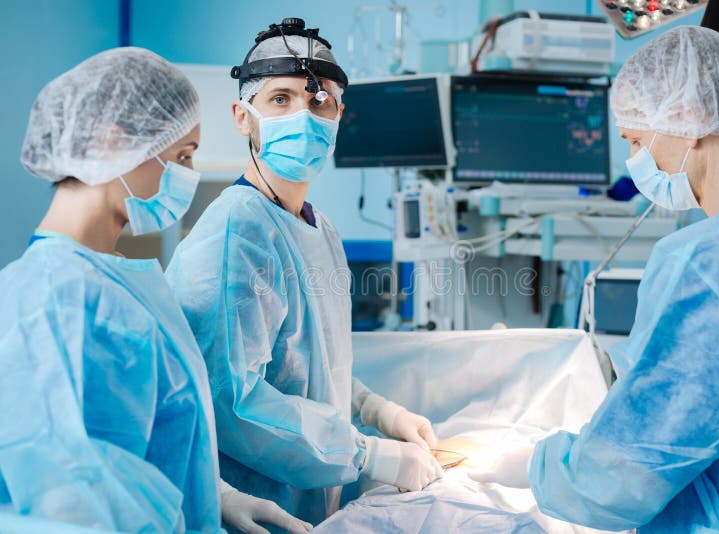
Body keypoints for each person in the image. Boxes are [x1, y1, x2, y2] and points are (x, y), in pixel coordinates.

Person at [470, 26, 719, 533]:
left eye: (638, 141)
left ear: (690, 117)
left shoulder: (711, 265)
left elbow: (620, 476)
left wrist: (529, 465)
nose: (637, 163)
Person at [0, 47, 311, 534]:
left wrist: (216, 495)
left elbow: (151, 442)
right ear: (110, 144)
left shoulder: (123, 279)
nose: (189, 173)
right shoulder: (53, 298)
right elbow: (70, 502)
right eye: (182, 155)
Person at [166, 18, 443, 527]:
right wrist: (366, 454)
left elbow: (313, 367)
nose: (303, 115)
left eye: (320, 102)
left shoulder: (321, 229)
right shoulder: (237, 229)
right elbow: (232, 402)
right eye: (280, 99)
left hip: (317, 499)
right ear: (241, 116)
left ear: (340, 116)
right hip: (258, 503)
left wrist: (377, 410)